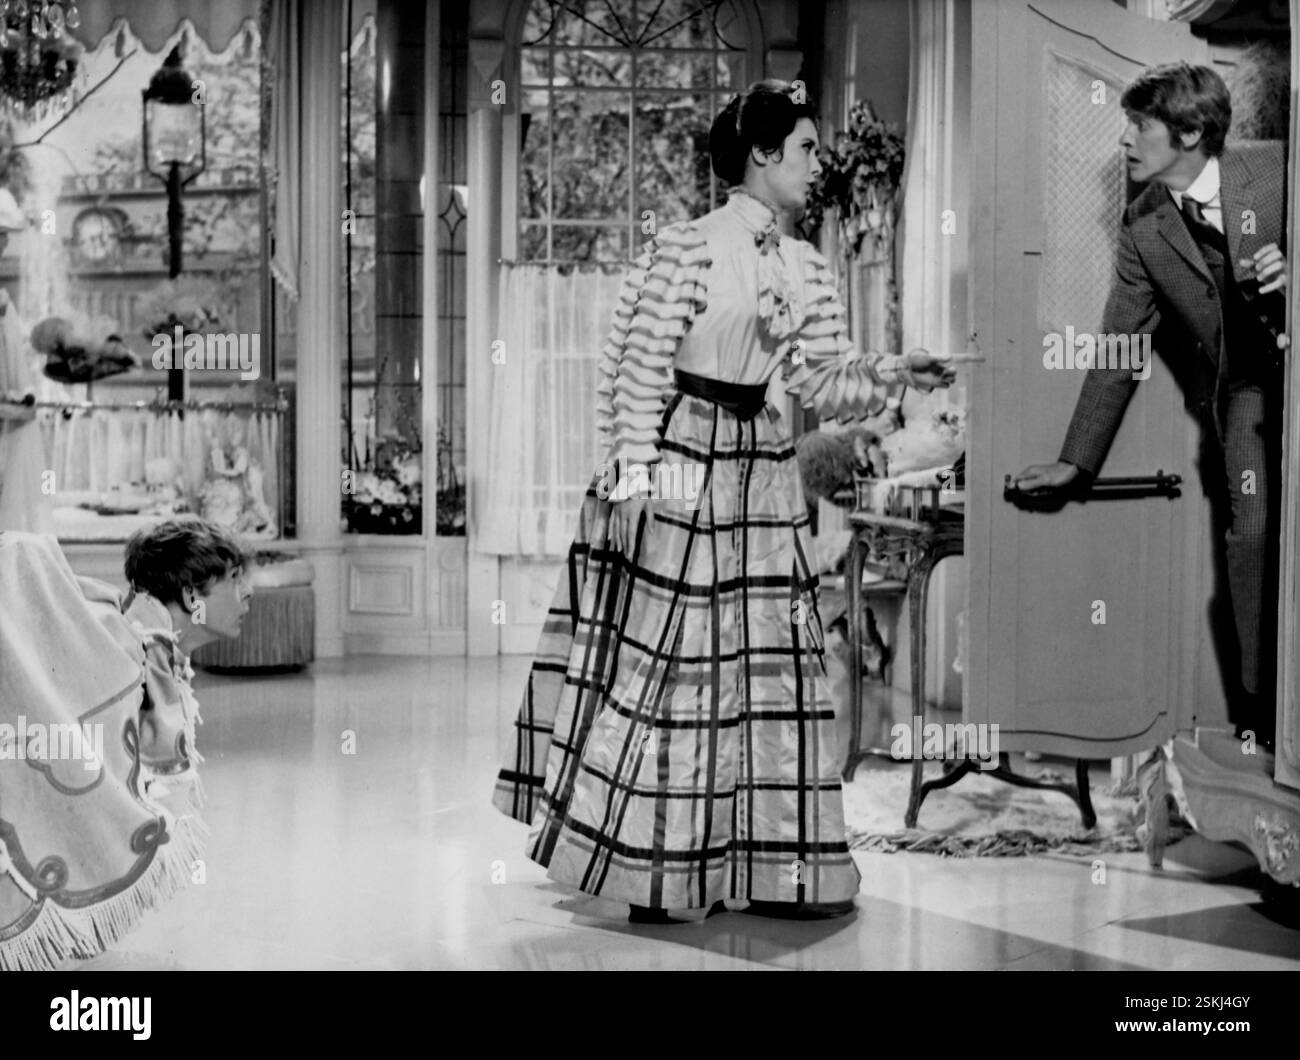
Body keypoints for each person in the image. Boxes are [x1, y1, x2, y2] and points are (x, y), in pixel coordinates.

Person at [493, 80, 955, 922]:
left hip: (761, 460)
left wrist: (895, 371)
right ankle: (660, 875)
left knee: (771, 664)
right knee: (681, 659)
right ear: (762, 155)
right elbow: (635, 368)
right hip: (684, 453)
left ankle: (774, 869)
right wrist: (633, 476)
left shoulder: (806, 264)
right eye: (807, 151)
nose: (818, 166)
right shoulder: (688, 248)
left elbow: (823, 378)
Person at [1014, 63, 1287, 745]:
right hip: (1247, 395)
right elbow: (1118, 346)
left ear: (1191, 131)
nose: (1125, 140)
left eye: (1140, 126)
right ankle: (1268, 721)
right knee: (1251, 540)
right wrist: (1075, 462)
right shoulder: (1145, 226)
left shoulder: (1275, 173)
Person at [0, 518, 250, 970]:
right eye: (234, 580)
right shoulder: (122, 651)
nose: (247, 593)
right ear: (193, 597)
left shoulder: (143, 651)